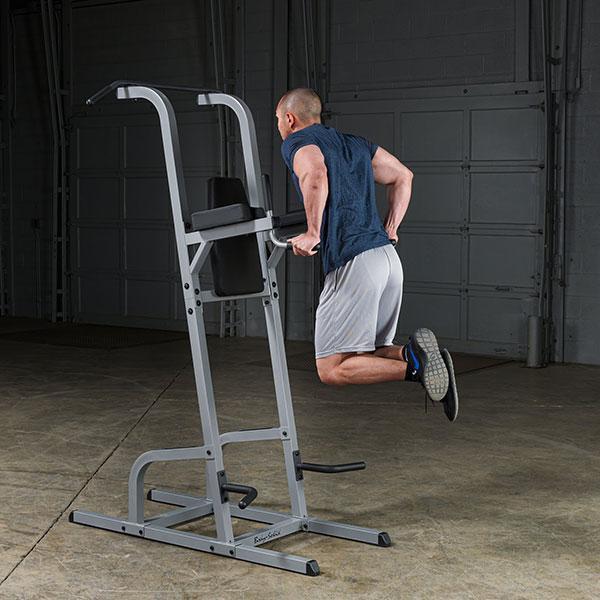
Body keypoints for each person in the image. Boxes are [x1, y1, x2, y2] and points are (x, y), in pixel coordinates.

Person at [276, 88, 458, 421]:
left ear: (290, 118)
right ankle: (413, 356)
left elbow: (315, 174)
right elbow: (404, 176)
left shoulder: (296, 143)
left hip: (355, 263)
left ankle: (417, 366)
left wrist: (314, 233)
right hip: (386, 259)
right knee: (370, 351)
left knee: (331, 368)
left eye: (278, 120)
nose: (279, 126)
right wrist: (390, 229)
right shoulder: (355, 144)